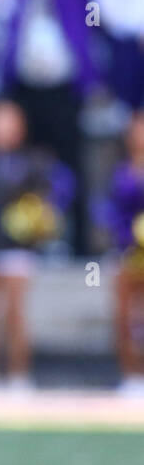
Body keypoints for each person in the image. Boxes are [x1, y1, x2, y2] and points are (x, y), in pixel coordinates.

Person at [0, 100, 70, 391]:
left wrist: (40, 217)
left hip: (16, 250)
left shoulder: (34, 161)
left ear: (20, 128)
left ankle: (19, 377)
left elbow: (62, 190)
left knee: (15, 314)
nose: (3, 129)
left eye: (9, 123)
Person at [103, 111, 144, 396]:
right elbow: (109, 209)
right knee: (126, 316)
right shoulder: (120, 170)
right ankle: (131, 377)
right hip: (128, 252)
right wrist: (126, 236)